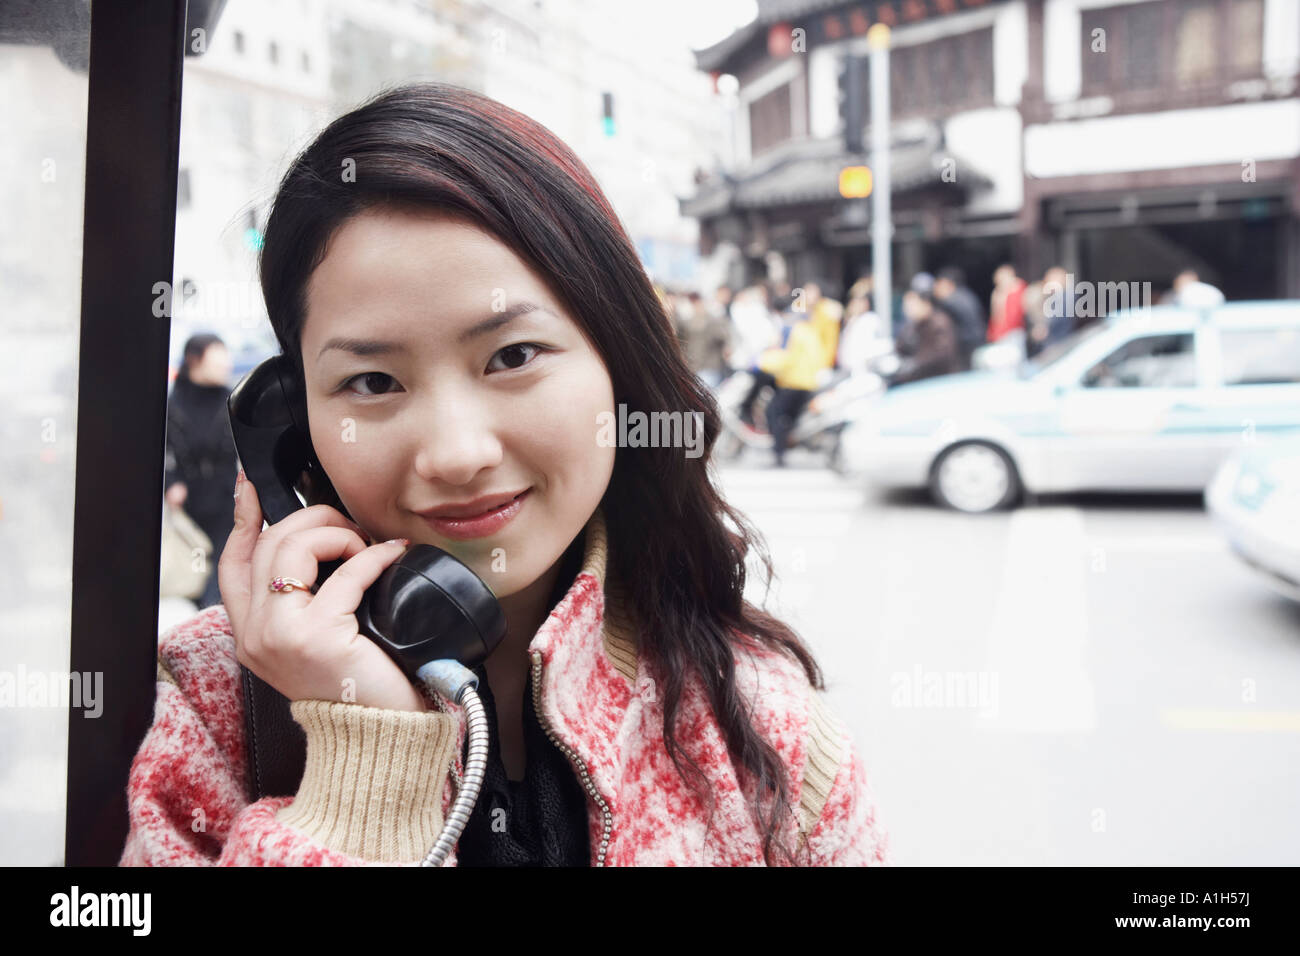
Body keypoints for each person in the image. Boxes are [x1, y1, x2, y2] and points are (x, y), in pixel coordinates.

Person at [120, 83, 890, 867]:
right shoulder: (210, 707)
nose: (456, 453)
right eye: (374, 383)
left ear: (617, 361)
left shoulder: (767, 737)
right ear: (291, 424)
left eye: (513, 356)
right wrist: (363, 776)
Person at [162, 333, 238, 609]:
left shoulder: (231, 400)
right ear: (195, 361)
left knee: (223, 561)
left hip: (225, 494)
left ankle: (210, 614)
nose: (226, 367)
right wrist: (172, 483)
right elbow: (163, 451)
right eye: (218, 361)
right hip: (189, 499)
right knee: (195, 560)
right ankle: (200, 615)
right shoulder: (172, 403)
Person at [756, 307, 829, 467]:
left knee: (775, 414)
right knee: (788, 417)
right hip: (809, 382)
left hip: (793, 382)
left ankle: (779, 454)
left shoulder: (792, 332)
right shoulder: (811, 332)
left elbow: (787, 358)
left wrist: (762, 362)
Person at [890, 289, 962, 387]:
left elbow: (941, 355)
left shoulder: (939, 323)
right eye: (906, 306)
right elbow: (900, 347)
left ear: (925, 304)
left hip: (939, 381)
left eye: (912, 305)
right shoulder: (912, 326)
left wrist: (914, 364)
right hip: (917, 381)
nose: (909, 310)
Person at [930, 267, 985, 370]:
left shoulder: (952, 301)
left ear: (948, 284)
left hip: (966, 346)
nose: (937, 289)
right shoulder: (967, 294)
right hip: (976, 342)